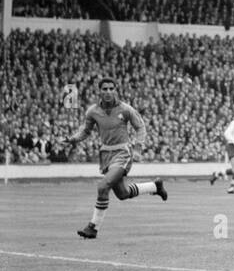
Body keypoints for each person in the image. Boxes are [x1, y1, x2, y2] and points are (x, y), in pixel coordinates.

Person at [64, 77, 166, 239]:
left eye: (111, 88)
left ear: (116, 90)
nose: (108, 92)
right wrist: (72, 139)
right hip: (106, 155)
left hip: (123, 153)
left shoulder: (125, 109)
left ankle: (93, 227)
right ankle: (155, 187)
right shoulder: (93, 111)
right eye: (105, 89)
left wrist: (138, 148)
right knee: (123, 194)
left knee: (103, 186)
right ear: (99, 91)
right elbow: (85, 131)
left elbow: (140, 127)